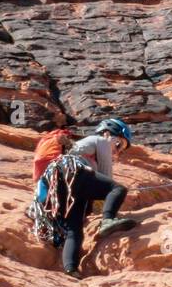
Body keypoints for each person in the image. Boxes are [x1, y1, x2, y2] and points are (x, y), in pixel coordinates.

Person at [50, 117, 137, 277]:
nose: (118, 150)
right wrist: (111, 200)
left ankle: (71, 269)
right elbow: (107, 177)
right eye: (119, 144)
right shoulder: (100, 141)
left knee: (74, 229)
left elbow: (93, 182)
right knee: (118, 189)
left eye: (122, 148)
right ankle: (108, 220)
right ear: (106, 133)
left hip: (61, 183)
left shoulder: (84, 149)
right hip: (75, 173)